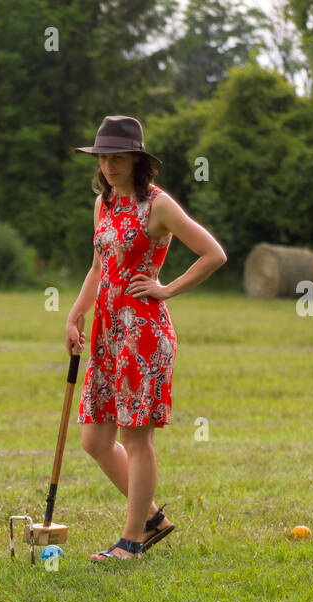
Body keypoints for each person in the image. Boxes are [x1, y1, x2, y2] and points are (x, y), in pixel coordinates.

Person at [64, 115, 226, 562]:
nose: (109, 166)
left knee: (137, 441)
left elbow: (214, 253)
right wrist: (76, 314)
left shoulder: (158, 205)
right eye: (103, 158)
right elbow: (98, 268)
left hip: (143, 335)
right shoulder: (104, 203)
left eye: (118, 157)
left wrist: (166, 287)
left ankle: (133, 538)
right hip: (105, 334)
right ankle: (153, 518)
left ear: (137, 159)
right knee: (94, 440)